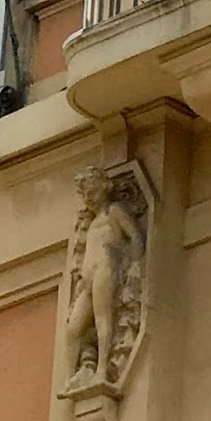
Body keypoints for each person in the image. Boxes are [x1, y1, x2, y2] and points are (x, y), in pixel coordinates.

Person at [64, 166, 142, 387]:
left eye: (92, 192)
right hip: (87, 278)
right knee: (73, 328)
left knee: (102, 319)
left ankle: (101, 371)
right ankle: (69, 379)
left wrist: (135, 264)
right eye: (85, 193)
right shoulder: (91, 221)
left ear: (104, 188)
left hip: (105, 268)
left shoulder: (114, 211)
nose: (89, 198)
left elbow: (135, 237)